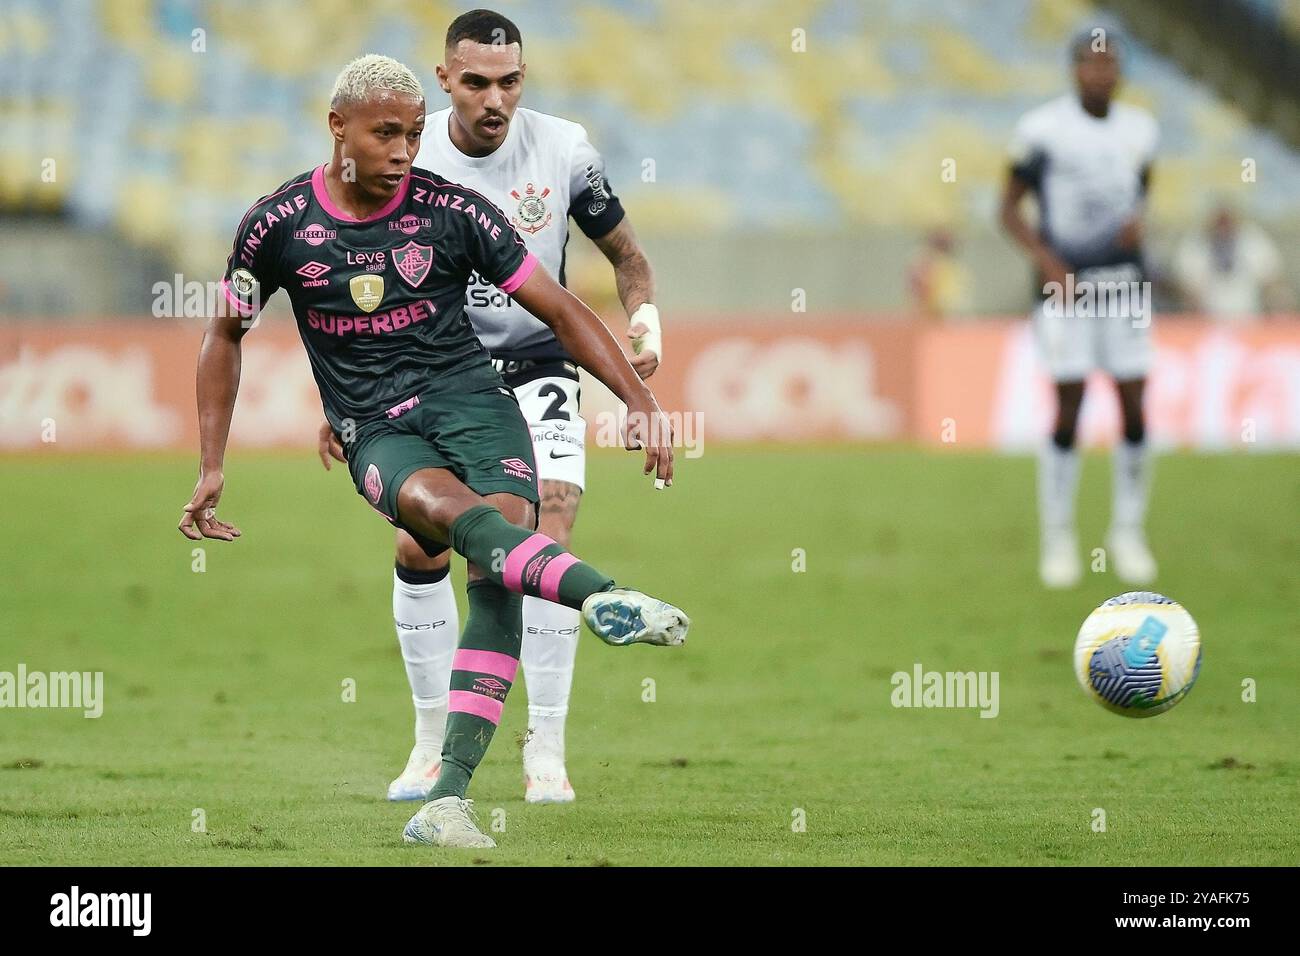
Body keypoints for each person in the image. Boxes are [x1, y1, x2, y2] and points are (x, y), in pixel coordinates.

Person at [178, 53, 689, 849]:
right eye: (387, 134)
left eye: (415, 135)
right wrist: (213, 464)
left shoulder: (454, 210)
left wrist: (641, 399)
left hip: (476, 405)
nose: (405, 152)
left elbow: (558, 307)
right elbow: (223, 334)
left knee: (499, 565)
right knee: (438, 518)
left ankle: (447, 800)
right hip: (376, 427)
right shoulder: (276, 226)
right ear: (337, 127)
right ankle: (598, 597)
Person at [317, 9, 662, 807]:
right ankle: (432, 742)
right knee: (418, 549)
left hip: (540, 362)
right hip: (426, 374)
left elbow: (627, 256)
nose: (493, 98)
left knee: (545, 526)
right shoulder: (403, 146)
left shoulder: (566, 149)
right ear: (445, 82)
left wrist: (643, 320)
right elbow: (339, 276)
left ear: (523, 80)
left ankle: (546, 747)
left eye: (508, 81)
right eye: (475, 82)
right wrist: (342, 402)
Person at [999, 27, 1159, 588]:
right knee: (1069, 408)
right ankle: (1059, 534)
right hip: (1065, 290)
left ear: (1120, 70)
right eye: (1091, 63)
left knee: (1135, 407)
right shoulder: (1042, 130)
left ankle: (1127, 531)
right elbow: (1009, 209)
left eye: (1109, 61)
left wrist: (1136, 226)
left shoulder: (1142, 129)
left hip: (1125, 289)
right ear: (1073, 70)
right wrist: (1046, 261)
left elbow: (1138, 197)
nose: (1100, 72)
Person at [1174, 204, 1291, 320]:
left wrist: (1277, 306)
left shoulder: (1251, 239)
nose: (1223, 229)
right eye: (1219, 223)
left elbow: (1271, 277)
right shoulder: (1196, 243)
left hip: (1248, 314)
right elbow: (1188, 284)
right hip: (1208, 315)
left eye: (1227, 222)